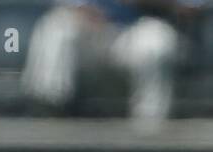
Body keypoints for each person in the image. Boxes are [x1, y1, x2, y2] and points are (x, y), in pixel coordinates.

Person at [23, 0, 203, 127]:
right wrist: (82, 8)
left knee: (157, 43)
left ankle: (150, 133)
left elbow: (191, 8)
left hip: (136, 33)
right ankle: (49, 118)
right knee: (56, 28)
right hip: (90, 33)